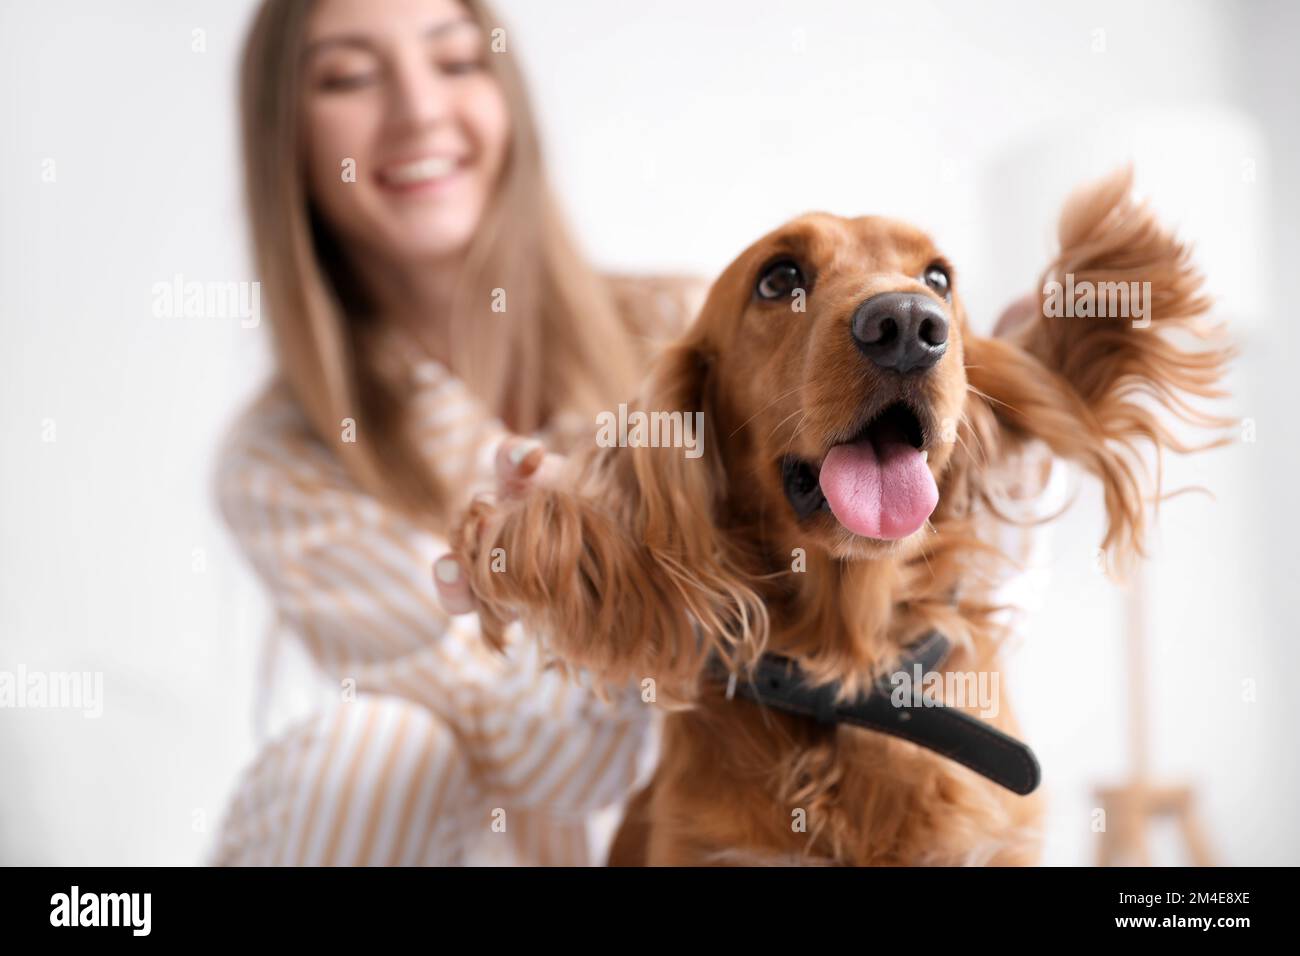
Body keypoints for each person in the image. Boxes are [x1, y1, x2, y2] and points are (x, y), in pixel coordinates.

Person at [210, 0, 702, 866]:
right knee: (375, 751)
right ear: (284, 140)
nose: (419, 110)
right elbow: (560, 763)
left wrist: (1012, 429)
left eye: (456, 60)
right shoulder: (283, 462)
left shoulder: (688, 335)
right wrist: (581, 576)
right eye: (349, 77)